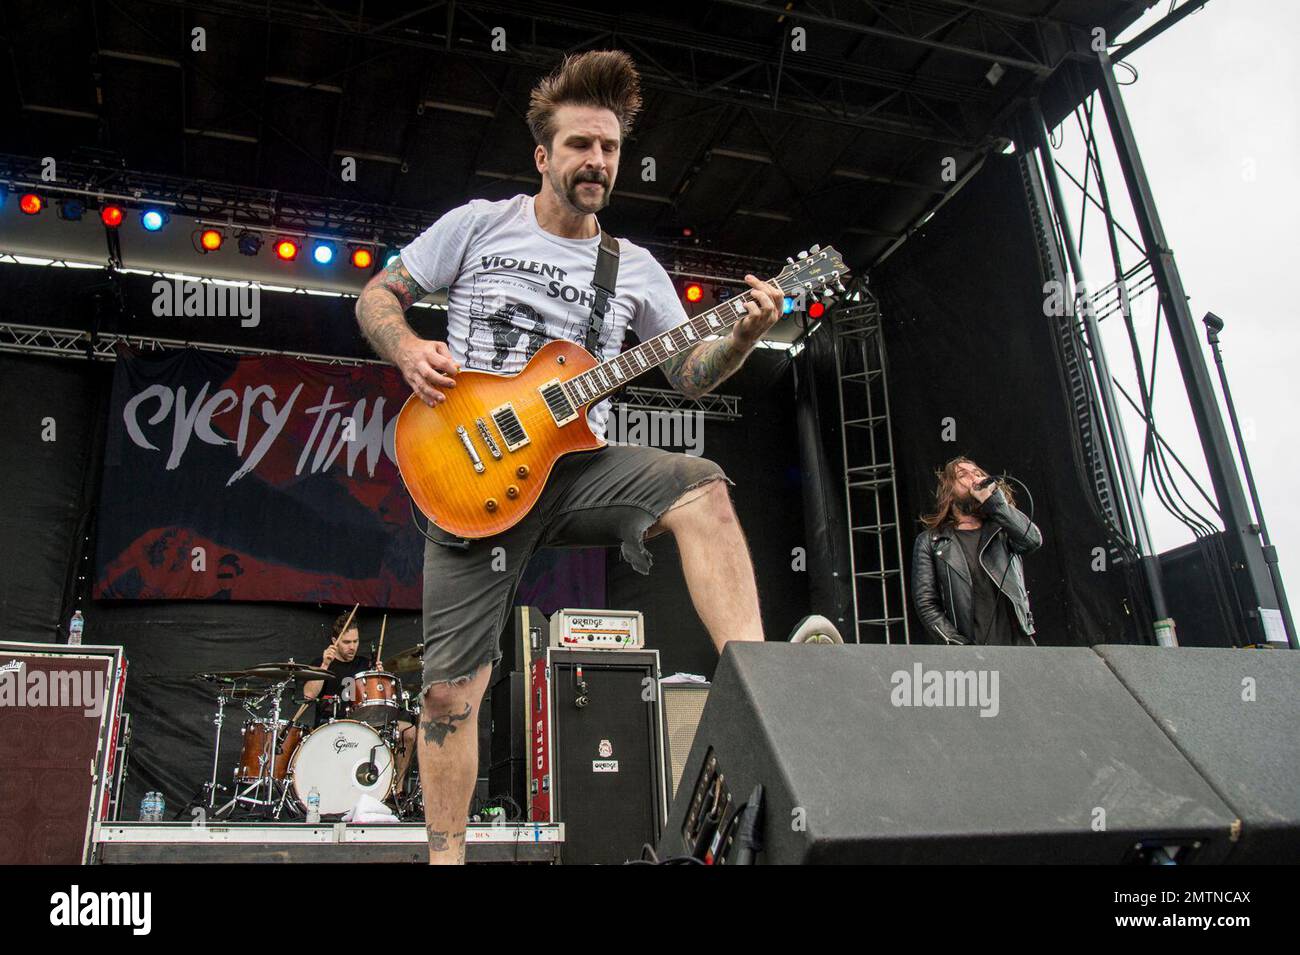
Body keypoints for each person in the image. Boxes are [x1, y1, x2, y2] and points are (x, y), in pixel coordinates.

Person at [355, 50, 781, 864]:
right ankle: (447, 859)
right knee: (449, 697)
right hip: (469, 469)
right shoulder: (478, 223)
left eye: (611, 149)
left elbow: (690, 377)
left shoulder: (633, 269)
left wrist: (743, 335)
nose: (598, 162)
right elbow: (378, 295)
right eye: (581, 145)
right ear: (543, 155)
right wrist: (408, 349)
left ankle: (760, 688)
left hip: (574, 467)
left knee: (703, 488)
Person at [911, 457, 1042, 647]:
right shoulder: (931, 541)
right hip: (971, 651)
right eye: (963, 475)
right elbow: (926, 603)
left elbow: (1032, 541)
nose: (974, 478)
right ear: (949, 492)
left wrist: (996, 504)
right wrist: (957, 643)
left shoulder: (1003, 529)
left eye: (978, 473)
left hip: (1018, 647)